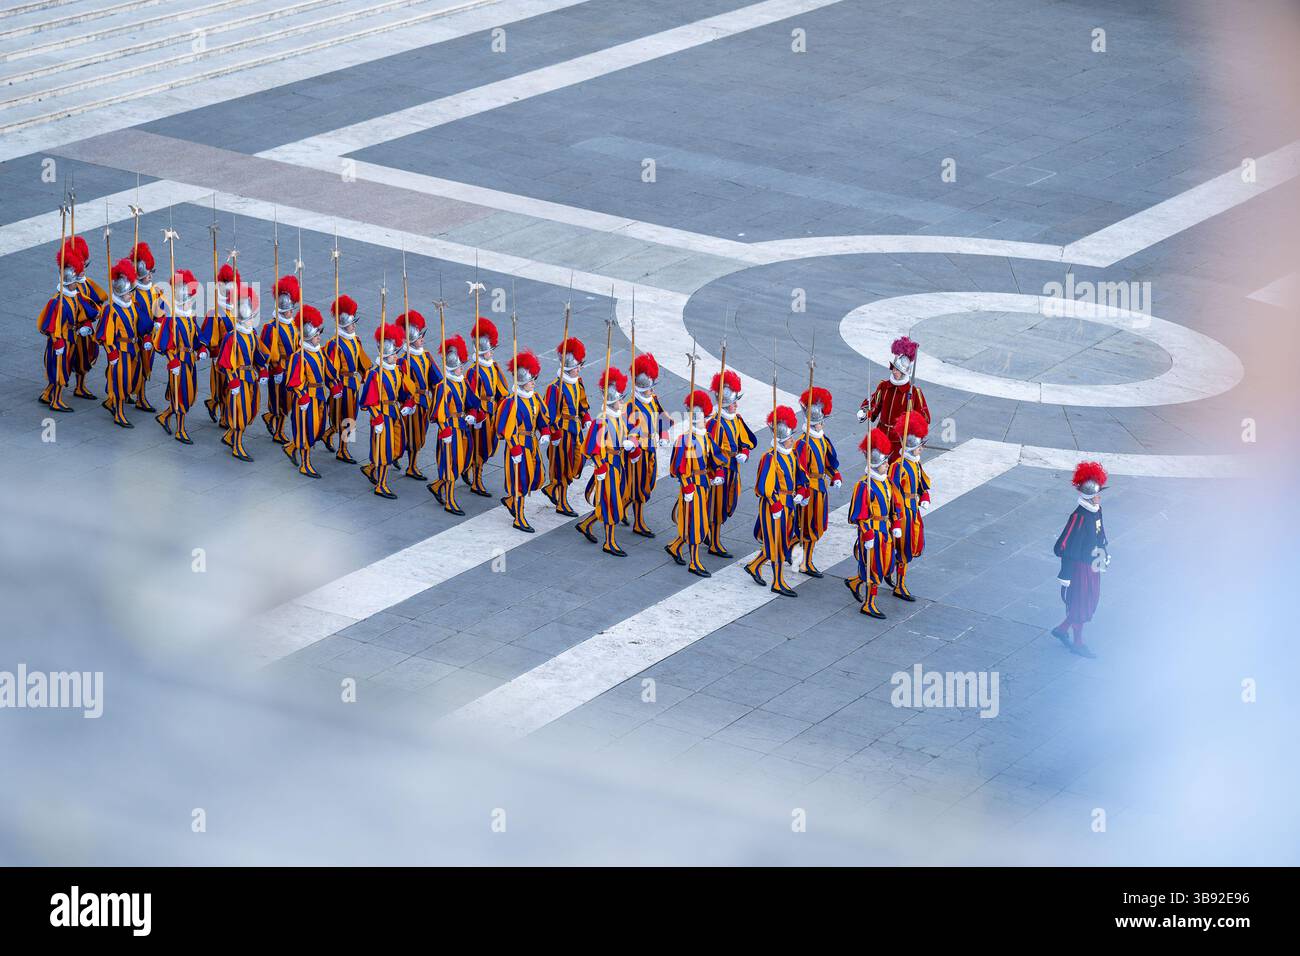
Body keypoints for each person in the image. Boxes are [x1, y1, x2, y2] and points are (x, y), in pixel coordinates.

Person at [743, 406, 808, 598]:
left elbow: (800, 475)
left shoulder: (792, 455)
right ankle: (778, 582)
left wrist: (802, 491)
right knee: (777, 543)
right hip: (774, 506)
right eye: (789, 438)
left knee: (781, 540)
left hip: (788, 503)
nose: (793, 440)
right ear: (781, 439)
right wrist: (774, 502)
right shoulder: (770, 458)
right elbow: (764, 486)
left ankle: (754, 566)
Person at [1051, 461, 1110, 659]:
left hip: (1092, 563)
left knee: (1087, 601)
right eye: (1097, 493)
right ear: (1091, 496)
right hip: (1081, 566)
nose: (1099, 496)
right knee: (1080, 603)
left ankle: (1062, 628)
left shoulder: (1096, 510)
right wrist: (1066, 574)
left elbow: (1100, 536)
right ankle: (1078, 641)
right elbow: (1065, 545)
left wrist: (1103, 557)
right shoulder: (1079, 516)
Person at [665, 389, 725, 578]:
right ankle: (694, 562)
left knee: (698, 522)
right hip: (691, 487)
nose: (705, 419)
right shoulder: (685, 440)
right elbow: (679, 468)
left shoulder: (705, 438)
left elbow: (716, 458)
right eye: (702, 417)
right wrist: (688, 487)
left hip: (703, 485)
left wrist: (719, 472)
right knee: (695, 525)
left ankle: (675, 547)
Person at [576, 367, 633, 557]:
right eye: (619, 399)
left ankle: (586, 524)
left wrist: (630, 444)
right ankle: (609, 542)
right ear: (612, 401)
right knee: (612, 503)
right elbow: (591, 447)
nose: (622, 402)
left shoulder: (619, 418)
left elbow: (626, 435)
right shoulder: (601, 421)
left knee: (611, 501)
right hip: (607, 467)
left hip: (618, 464)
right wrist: (599, 466)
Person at [495, 349, 550, 532]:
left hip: (532, 443)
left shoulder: (535, 398)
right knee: (520, 481)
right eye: (530, 380)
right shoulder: (512, 402)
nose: (533, 383)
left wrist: (544, 431)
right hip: (518, 446)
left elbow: (541, 418)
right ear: (522, 382)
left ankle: (511, 501)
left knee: (536, 478)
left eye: (534, 379)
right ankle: (519, 517)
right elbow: (505, 428)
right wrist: (514, 448)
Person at [360, 322, 416, 499]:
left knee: (395, 448)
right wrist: (376, 419)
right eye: (393, 354)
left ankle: (373, 471)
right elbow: (369, 401)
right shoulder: (376, 374)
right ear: (385, 356)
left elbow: (403, 392)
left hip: (394, 414)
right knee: (384, 451)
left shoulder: (397, 371)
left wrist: (408, 403)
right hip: (382, 416)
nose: (395, 357)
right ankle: (381, 485)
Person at [847, 428, 898, 619]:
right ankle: (869, 604)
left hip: (885, 530)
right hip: (872, 532)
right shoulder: (864, 486)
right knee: (874, 568)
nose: (887, 464)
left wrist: (896, 522)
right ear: (876, 464)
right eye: (884, 462)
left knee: (884, 565)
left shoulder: (885, 482)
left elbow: (891, 503)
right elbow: (859, 515)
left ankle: (854, 583)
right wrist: (867, 534)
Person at [427, 334, 480, 516]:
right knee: (450, 465)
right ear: (453, 367)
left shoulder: (463, 383)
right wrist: (445, 430)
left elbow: (472, 402)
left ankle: (436, 486)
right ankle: (450, 501)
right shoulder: (444, 387)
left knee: (461, 463)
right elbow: (438, 413)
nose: (462, 368)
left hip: (462, 428)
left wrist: (472, 414)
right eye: (460, 366)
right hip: (450, 431)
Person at [706, 369, 756, 558]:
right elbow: (711, 449)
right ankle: (715, 542)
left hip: (733, 469)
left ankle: (712, 536)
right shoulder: (714, 423)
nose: (736, 405)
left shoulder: (737, 420)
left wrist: (744, 452)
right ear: (726, 404)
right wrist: (717, 468)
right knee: (716, 506)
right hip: (719, 471)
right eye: (733, 402)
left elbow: (746, 441)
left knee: (728, 504)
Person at [794, 387, 842, 577]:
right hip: (809, 489)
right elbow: (800, 469)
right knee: (805, 526)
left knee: (816, 525)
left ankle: (807, 559)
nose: (822, 425)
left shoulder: (823, 441)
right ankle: (803, 561)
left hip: (820, 488)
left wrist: (835, 475)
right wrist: (803, 489)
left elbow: (828, 462)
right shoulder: (803, 443)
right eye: (820, 422)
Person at [218, 284, 268, 462]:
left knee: (250, 411)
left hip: (249, 378)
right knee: (240, 413)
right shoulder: (232, 337)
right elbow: (224, 363)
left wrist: (262, 370)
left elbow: (257, 356)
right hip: (238, 380)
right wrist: (232, 382)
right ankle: (237, 445)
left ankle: (229, 436)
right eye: (251, 318)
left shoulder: (251, 335)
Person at [858, 336, 929, 460]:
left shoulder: (913, 392)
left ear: (905, 372)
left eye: (898, 370)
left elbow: (924, 417)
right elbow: (875, 404)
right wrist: (865, 412)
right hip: (882, 435)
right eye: (894, 368)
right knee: (877, 466)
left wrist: (913, 430)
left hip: (899, 440)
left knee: (894, 471)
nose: (894, 371)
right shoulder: (884, 386)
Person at [284, 305, 335, 478]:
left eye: (318, 334)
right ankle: (305, 464)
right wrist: (302, 396)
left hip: (319, 397)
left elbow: (326, 371)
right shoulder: (299, 356)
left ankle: (291, 447)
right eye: (315, 335)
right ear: (307, 337)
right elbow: (294, 380)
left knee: (317, 430)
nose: (319, 337)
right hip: (306, 400)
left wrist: (334, 384)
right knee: (307, 430)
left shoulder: (319, 353)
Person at [154, 269, 202, 444]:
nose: (191, 303)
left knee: (189, 394)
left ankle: (164, 416)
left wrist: (201, 348)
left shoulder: (190, 317)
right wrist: (172, 361)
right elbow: (163, 344)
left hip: (190, 361)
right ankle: (180, 430)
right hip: (177, 363)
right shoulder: (171, 320)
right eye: (188, 300)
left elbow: (196, 337)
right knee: (181, 395)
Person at [543, 337, 589, 517]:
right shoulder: (555, 388)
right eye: (577, 366)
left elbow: (582, 404)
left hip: (575, 429)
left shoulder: (578, 382)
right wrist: (553, 434)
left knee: (576, 463)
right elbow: (550, 414)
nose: (579, 369)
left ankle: (552, 488)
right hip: (562, 433)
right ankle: (561, 502)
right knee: (563, 466)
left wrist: (586, 417)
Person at [625, 353, 669, 538]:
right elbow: (627, 430)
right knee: (639, 486)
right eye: (650, 387)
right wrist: (633, 447)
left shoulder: (653, 400)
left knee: (648, 483)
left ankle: (624, 507)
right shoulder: (631, 405)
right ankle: (638, 522)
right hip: (637, 452)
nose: (652, 390)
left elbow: (662, 418)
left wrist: (664, 433)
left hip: (650, 449)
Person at [888, 412, 931, 601]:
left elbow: (922, 483)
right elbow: (894, 491)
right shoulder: (899, 466)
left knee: (909, 546)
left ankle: (899, 581)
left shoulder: (915, 464)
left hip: (912, 509)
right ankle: (899, 584)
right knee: (903, 548)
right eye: (920, 445)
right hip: (903, 512)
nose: (922, 448)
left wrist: (925, 495)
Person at [37, 243, 85, 414]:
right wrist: (57, 342)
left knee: (63, 369)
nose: (76, 284)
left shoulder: (71, 297)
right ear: (68, 282)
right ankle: (56, 401)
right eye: (74, 282)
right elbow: (50, 326)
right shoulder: (57, 301)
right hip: (60, 341)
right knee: (60, 371)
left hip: (69, 337)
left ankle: (47, 394)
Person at [465, 317, 509, 497]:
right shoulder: (473, 371)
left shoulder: (494, 367)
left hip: (491, 412)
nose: (492, 352)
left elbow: (501, 390)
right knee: (479, 448)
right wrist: (475, 415)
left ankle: (470, 471)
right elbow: (471, 397)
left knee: (489, 446)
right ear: (483, 351)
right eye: (490, 349)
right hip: (480, 414)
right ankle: (477, 481)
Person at [321, 295, 368, 464]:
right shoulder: (335, 344)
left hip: (353, 384)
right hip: (342, 385)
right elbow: (330, 369)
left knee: (350, 417)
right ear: (344, 325)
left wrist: (367, 375)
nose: (354, 325)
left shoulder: (356, 340)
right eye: (351, 323)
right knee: (342, 416)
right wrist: (334, 385)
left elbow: (362, 361)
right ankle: (343, 449)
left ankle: (332, 438)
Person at [93, 258, 140, 429]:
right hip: (119, 352)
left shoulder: (130, 305)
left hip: (132, 349)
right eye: (129, 293)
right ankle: (119, 413)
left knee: (129, 380)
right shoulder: (110, 310)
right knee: (121, 381)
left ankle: (111, 402)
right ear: (121, 293)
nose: (131, 295)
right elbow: (105, 335)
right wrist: (111, 353)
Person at [259, 274, 301, 445]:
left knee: (288, 401)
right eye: (290, 310)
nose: (292, 312)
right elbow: (266, 350)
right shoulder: (271, 327)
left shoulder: (293, 324)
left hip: (290, 368)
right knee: (280, 401)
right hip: (278, 369)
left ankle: (271, 419)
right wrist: (275, 367)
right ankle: (278, 431)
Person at [398, 311, 440, 481]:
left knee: (421, 434)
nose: (422, 339)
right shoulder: (404, 360)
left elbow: (435, 378)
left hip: (424, 401)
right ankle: (411, 466)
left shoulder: (426, 356)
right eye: (419, 336)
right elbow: (402, 384)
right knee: (413, 435)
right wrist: (407, 400)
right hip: (412, 402)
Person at [200, 263, 239, 427]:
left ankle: (213, 404)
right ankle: (224, 417)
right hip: (220, 358)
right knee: (223, 387)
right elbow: (209, 335)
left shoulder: (236, 310)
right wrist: (214, 355)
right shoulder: (215, 313)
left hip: (234, 357)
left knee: (228, 387)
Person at [129, 242, 163, 412]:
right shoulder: (134, 294)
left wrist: (159, 320)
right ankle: (138, 397)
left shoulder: (155, 290)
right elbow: (138, 318)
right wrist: (150, 328)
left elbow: (161, 308)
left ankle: (139, 394)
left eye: (150, 272)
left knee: (146, 366)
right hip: (138, 337)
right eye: (147, 273)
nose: (150, 275)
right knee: (137, 366)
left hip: (151, 336)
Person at [70, 236, 103, 401]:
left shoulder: (86, 282)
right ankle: (51, 393)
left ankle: (80, 386)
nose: (84, 269)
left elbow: (96, 300)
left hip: (86, 330)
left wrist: (97, 312)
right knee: (65, 362)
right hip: (73, 329)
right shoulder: (70, 287)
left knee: (84, 359)